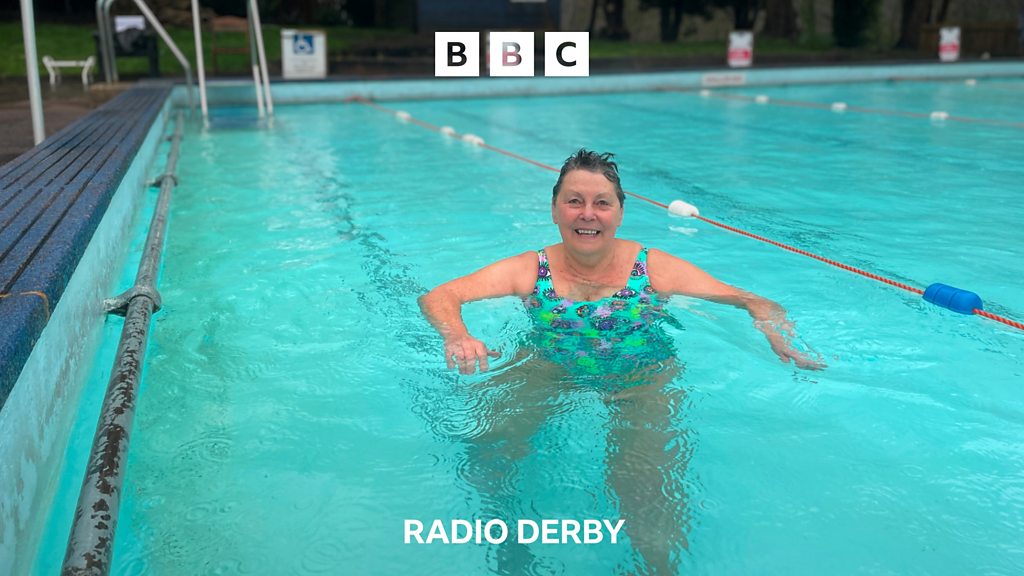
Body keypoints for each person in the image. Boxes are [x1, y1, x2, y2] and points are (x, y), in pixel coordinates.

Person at [418, 149, 824, 374]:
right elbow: (440, 295)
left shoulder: (654, 269)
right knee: (495, 449)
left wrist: (776, 332)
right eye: (574, 201)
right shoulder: (530, 269)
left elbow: (753, 300)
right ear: (554, 211)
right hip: (548, 367)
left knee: (646, 487)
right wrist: (456, 335)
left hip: (641, 374)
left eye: (601, 203)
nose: (587, 214)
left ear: (620, 213)